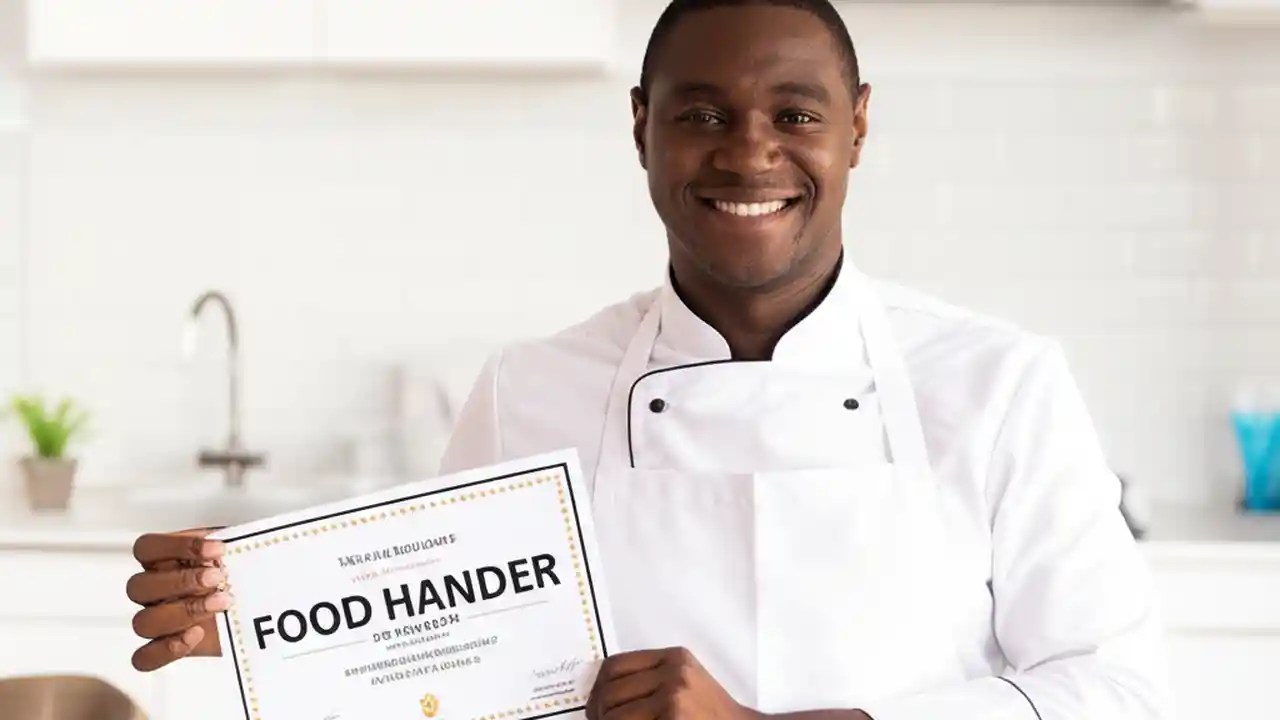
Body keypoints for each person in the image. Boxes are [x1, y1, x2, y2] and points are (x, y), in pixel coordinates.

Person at [125, 1, 1169, 718]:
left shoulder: (996, 385)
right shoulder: (526, 389)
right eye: (700, 114)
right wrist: (276, 616)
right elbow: (462, 675)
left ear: (855, 129)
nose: (748, 152)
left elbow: (1117, 689)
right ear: (640, 131)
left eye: (794, 114)